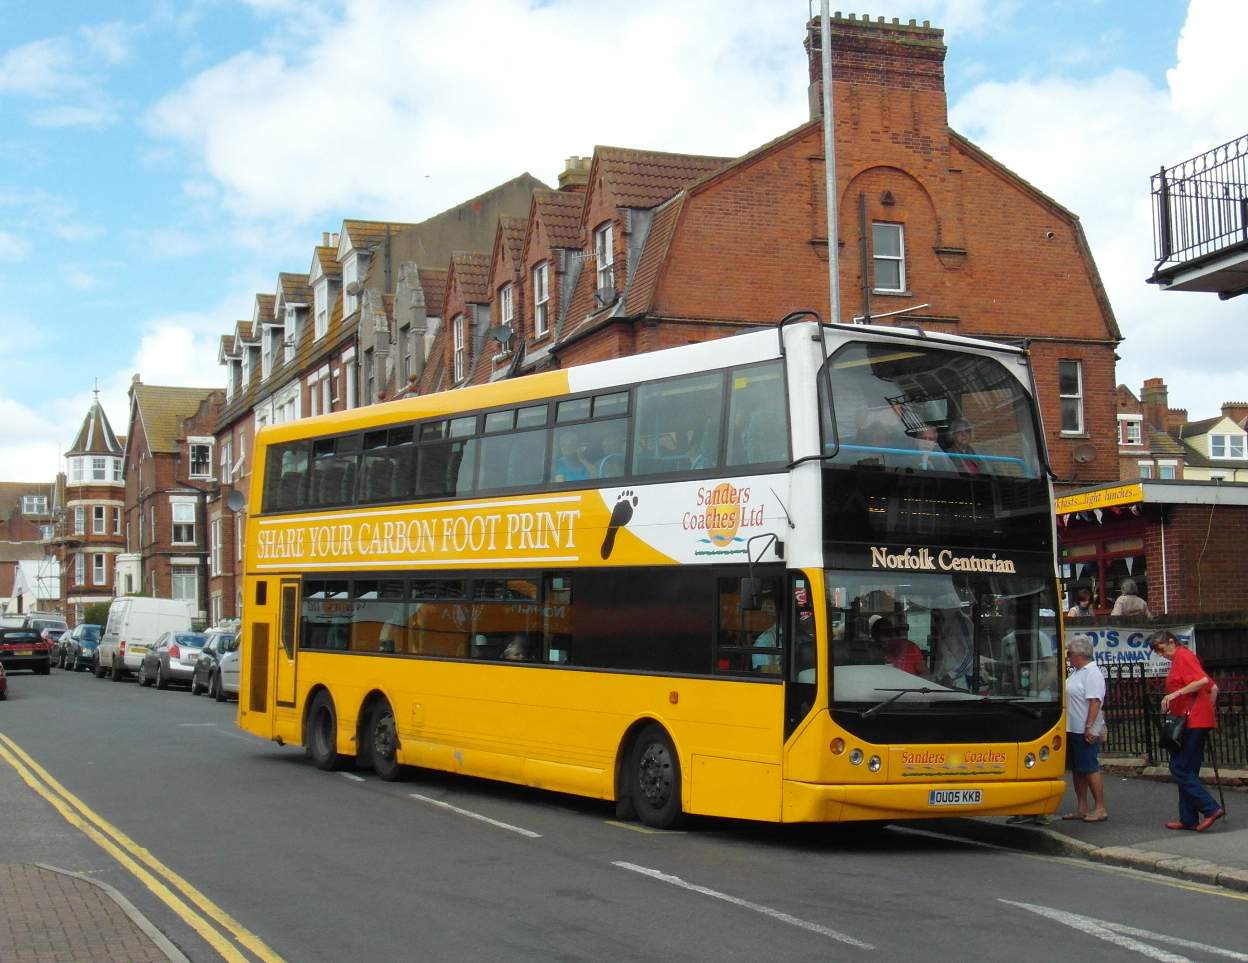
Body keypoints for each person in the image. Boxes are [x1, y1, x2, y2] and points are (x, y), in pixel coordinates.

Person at [1150, 630, 1224, 832]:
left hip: (1191, 720)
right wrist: (1207, 710)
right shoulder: (1184, 657)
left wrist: (1175, 695)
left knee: (1179, 767)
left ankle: (1210, 808)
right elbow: (1213, 687)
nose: (1161, 654)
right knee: (1188, 769)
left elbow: (1200, 680)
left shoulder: (1183, 656)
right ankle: (1188, 818)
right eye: (1158, 652)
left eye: (1162, 649)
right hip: (1196, 718)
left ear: (1171, 642)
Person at [1063, 635, 1108, 822]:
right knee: (1078, 769)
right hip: (1072, 727)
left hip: (1084, 728)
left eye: (1070, 653)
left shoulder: (1092, 673)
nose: (1068, 657)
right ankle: (1082, 806)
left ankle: (1100, 807)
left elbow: (1095, 701)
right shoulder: (1076, 672)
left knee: (1089, 767)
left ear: (1079, 654)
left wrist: (1089, 726)